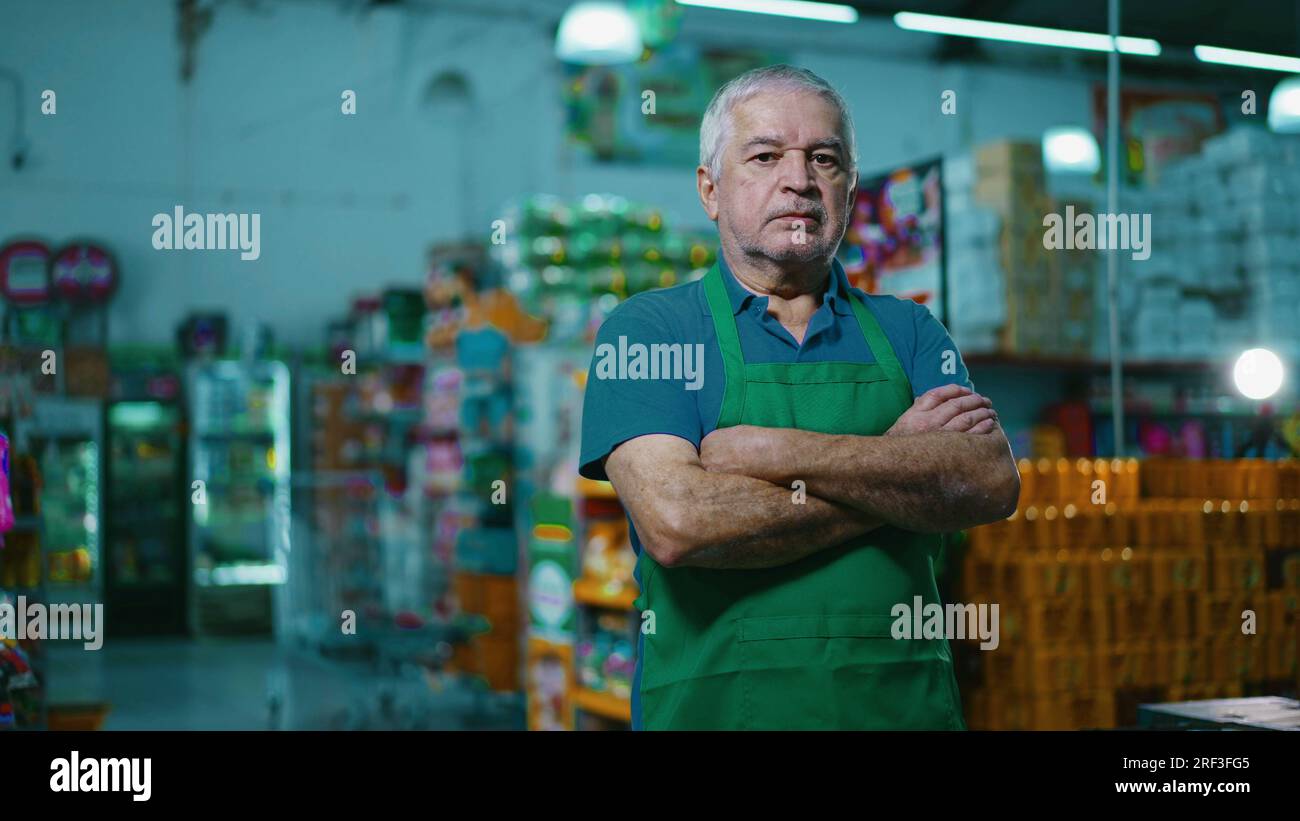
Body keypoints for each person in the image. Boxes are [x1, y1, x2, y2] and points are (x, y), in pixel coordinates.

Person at [579, 65, 1020, 730]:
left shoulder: (910, 330)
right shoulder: (650, 331)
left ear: (847, 184)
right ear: (710, 189)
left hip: (900, 709)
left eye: (825, 158)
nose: (800, 179)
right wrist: (899, 473)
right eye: (764, 156)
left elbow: (988, 481)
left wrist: (772, 450)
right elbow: (677, 521)